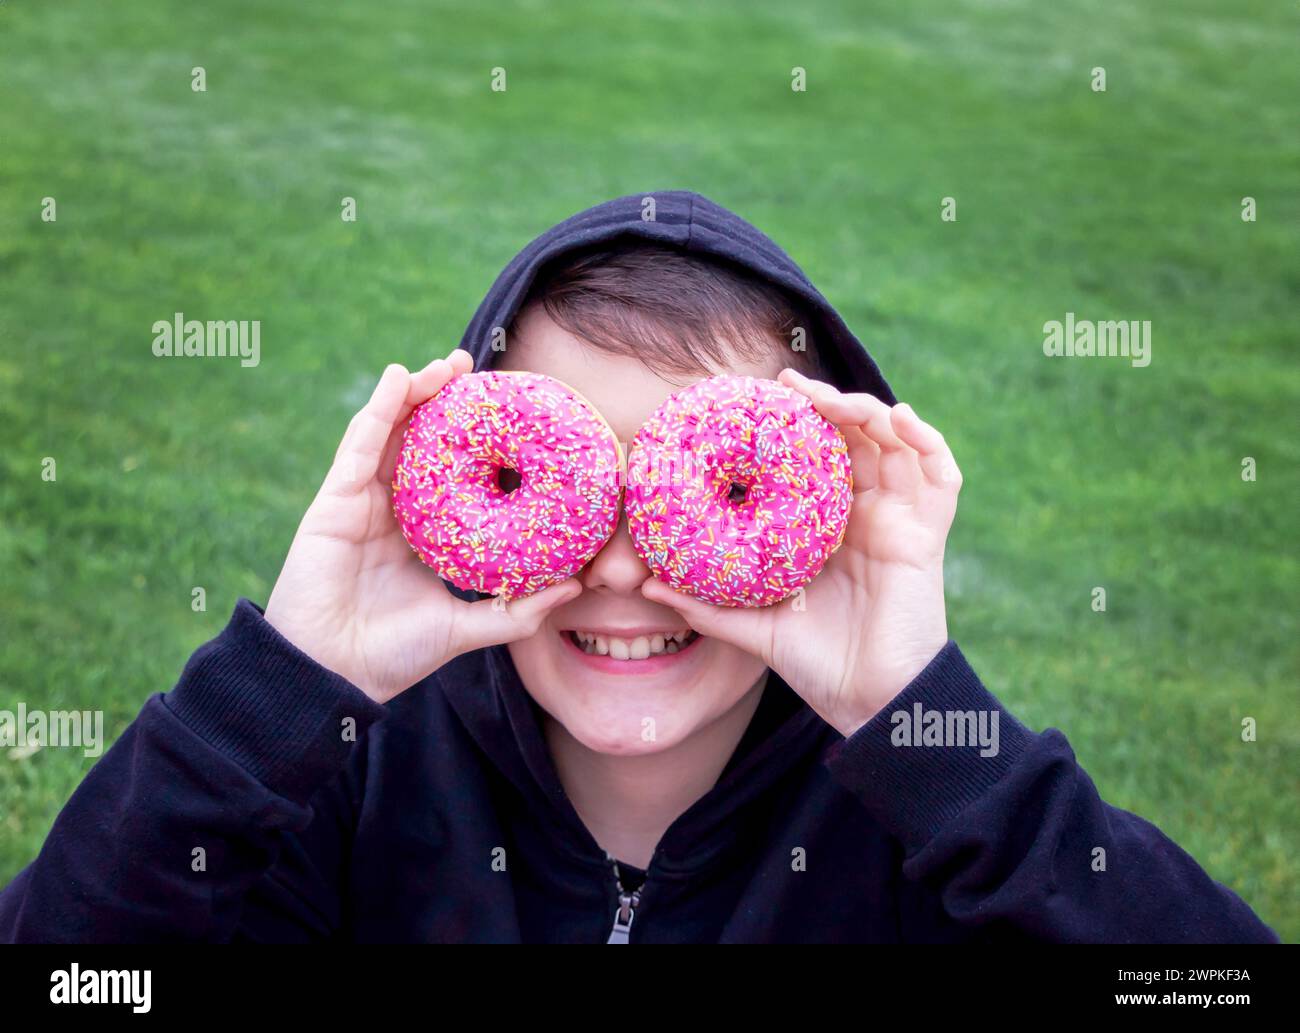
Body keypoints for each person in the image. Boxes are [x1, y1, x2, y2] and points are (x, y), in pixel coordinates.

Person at [0, 192, 1279, 943]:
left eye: (685, 487)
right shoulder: (343, 790)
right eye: (575, 482)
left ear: (825, 504)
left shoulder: (928, 836)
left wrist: (927, 731)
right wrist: (271, 694)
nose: (620, 567)